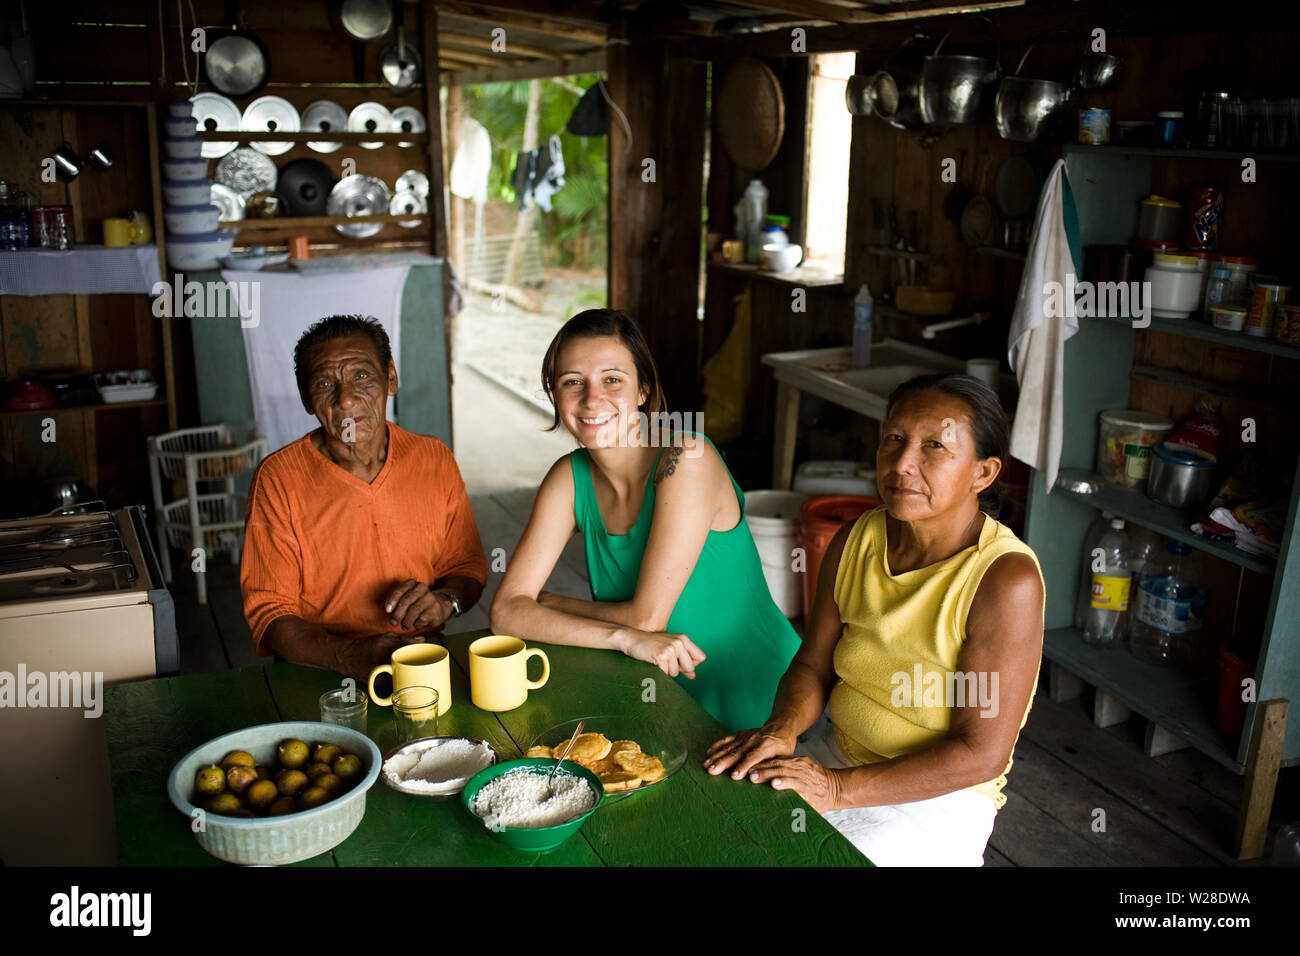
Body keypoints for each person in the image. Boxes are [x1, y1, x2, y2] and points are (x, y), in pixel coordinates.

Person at [705, 373, 1045, 866]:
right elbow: (813, 666)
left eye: (935, 446)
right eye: (894, 438)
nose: (904, 464)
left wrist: (836, 790)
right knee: (716, 823)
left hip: (937, 801)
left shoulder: (1003, 580)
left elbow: (979, 754)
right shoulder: (855, 540)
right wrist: (781, 731)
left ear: (983, 473)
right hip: (836, 757)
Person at [490, 309, 800, 731]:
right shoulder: (569, 478)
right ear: (554, 394)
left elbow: (647, 620)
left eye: (612, 379)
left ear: (643, 390)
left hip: (763, 707)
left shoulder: (685, 457)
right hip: (659, 698)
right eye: (572, 382)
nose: (591, 399)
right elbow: (506, 614)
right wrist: (621, 637)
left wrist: (554, 604)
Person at [241, 314, 487, 681]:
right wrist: (345, 655)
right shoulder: (279, 478)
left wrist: (443, 602)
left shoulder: (433, 458)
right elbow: (270, 613)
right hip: (318, 670)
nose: (346, 399)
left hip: (418, 663)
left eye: (361, 375)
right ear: (307, 398)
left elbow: (465, 568)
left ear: (391, 378)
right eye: (325, 383)